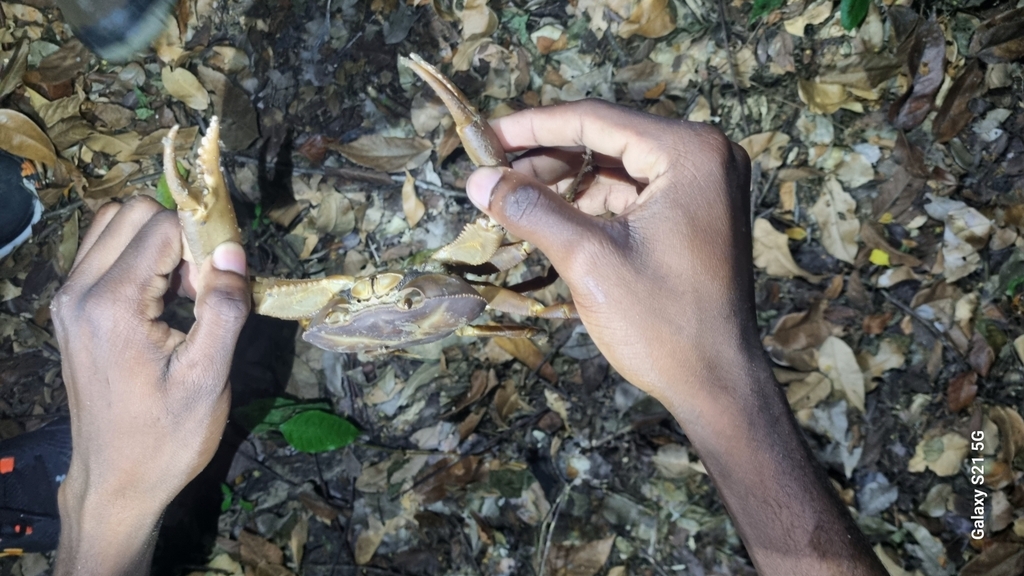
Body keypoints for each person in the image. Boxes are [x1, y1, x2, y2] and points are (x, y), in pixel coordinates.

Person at [44, 100, 888, 575]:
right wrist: (722, 381)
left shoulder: (480, 282)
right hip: (416, 304)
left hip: (450, 297)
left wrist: (97, 528)